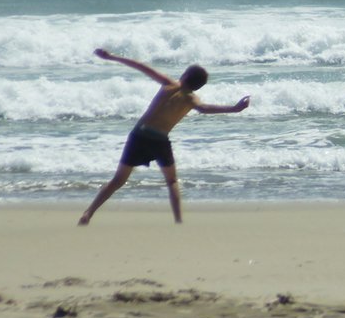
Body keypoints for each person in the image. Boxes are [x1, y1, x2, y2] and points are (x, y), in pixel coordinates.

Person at [78, 48, 250, 225]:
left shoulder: (169, 84)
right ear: (198, 86)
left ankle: (88, 213)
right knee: (172, 181)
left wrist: (111, 57)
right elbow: (205, 109)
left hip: (139, 135)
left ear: (184, 75)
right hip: (159, 140)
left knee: (118, 180)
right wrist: (234, 109)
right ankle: (178, 220)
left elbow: (141, 66)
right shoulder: (192, 99)